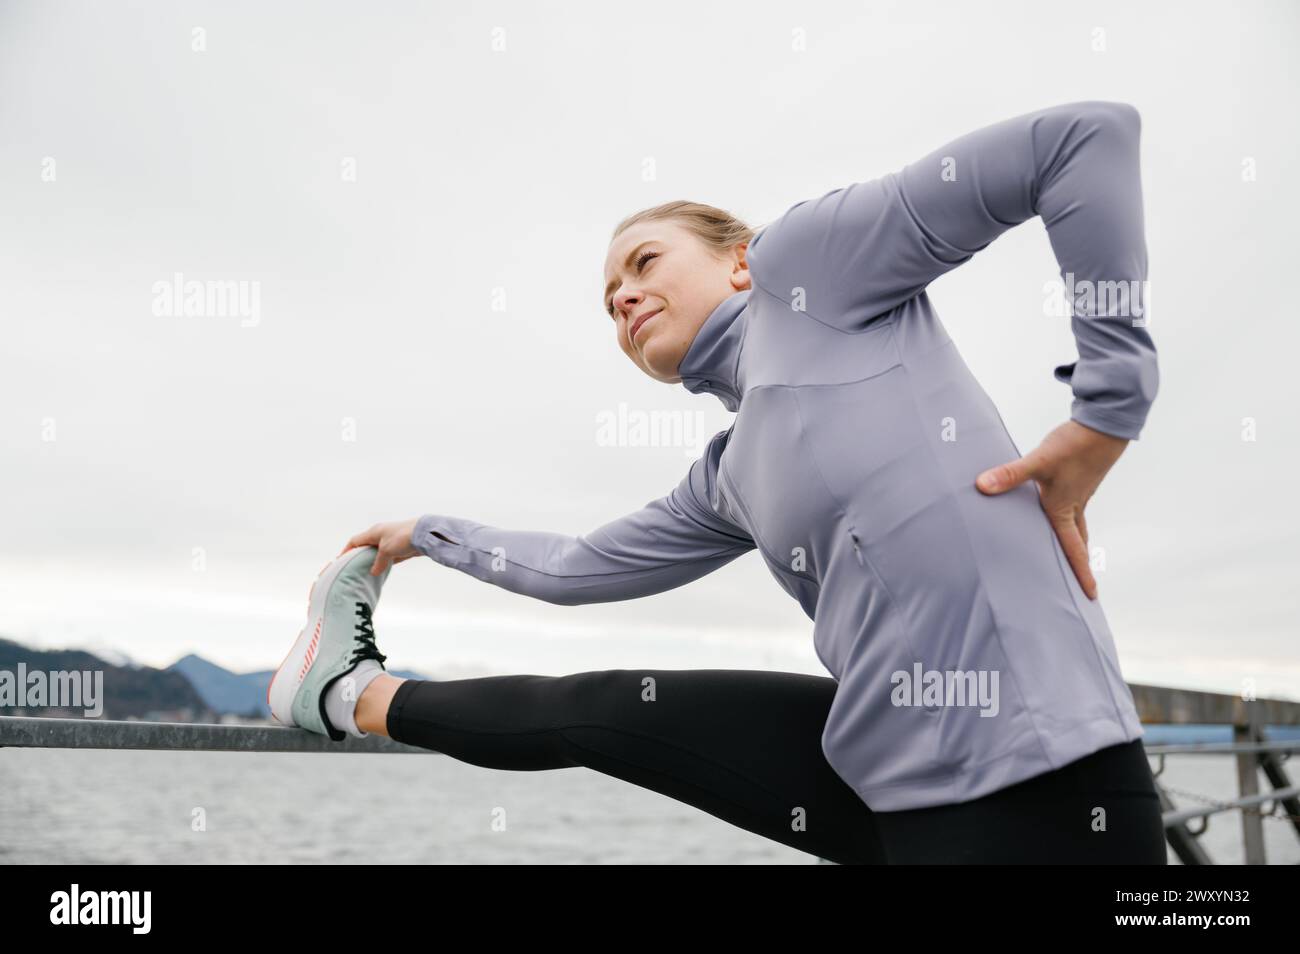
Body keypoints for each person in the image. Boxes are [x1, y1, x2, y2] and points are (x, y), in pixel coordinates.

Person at [269, 100, 1167, 864]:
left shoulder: (811, 268)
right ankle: (346, 694)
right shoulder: (729, 475)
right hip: (891, 793)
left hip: (1058, 787)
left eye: (644, 263)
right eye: (607, 299)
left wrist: (1107, 409)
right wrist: (426, 532)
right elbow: (576, 568)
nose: (622, 297)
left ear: (737, 259)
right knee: (603, 707)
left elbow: (1083, 139)